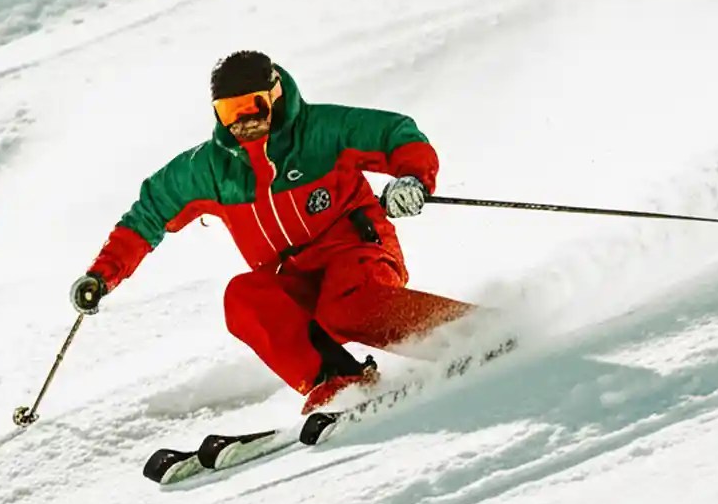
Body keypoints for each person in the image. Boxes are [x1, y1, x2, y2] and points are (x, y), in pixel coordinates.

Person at [70, 51, 473, 413]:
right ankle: (338, 381)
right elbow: (148, 214)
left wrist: (414, 181)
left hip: (356, 255)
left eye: (253, 106)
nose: (244, 121)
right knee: (243, 297)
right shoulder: (210, 169)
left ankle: (468, 334)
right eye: (230, 112)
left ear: (275, 94)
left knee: (345, 305)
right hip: (296, 280)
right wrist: (102, 275)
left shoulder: (322, 131)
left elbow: (396, 133)